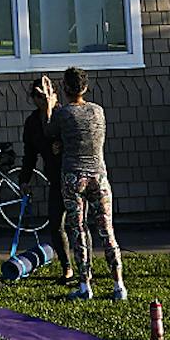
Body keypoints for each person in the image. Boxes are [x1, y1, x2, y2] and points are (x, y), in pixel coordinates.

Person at [51, 67, 126, 302]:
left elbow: (51, 134)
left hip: (74, 175)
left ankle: (85, 285)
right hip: (99, 176)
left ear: (65, 88)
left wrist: (51, 105)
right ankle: (118, 285)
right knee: (107, 230)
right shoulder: (98, 111)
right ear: (85, 87)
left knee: (79, 229)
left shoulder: (63, 114)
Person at [21, 75, 60, 244]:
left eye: (46, 95)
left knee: (78, 225)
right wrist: (24, 180)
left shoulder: (63, 116)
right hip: (54, 179)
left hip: (73, 177)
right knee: (56, 225)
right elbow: (29, 155)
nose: (43, 100)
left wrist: (62, 144)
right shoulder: (32, 123)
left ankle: (84, 263)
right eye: (38, 96)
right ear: (33, 99)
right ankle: (67, 267)